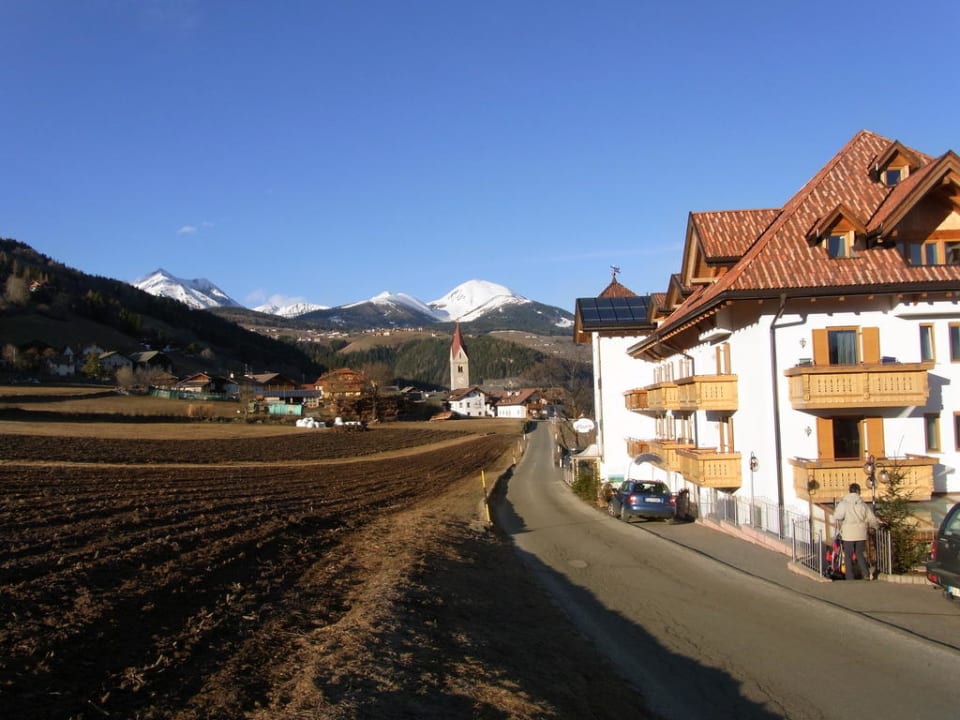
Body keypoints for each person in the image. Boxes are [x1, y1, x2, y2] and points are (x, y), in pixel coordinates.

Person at [833, 482, 880, 580]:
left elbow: (838, 516)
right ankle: (866, 574)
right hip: (861, 533)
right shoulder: (863, 504)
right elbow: (871, 518)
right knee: (860, 553)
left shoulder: (844, 503)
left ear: (849, 491)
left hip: (848, 534)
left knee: (848, 555)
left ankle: (849, 577)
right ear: (858, 491)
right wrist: (876, 526)